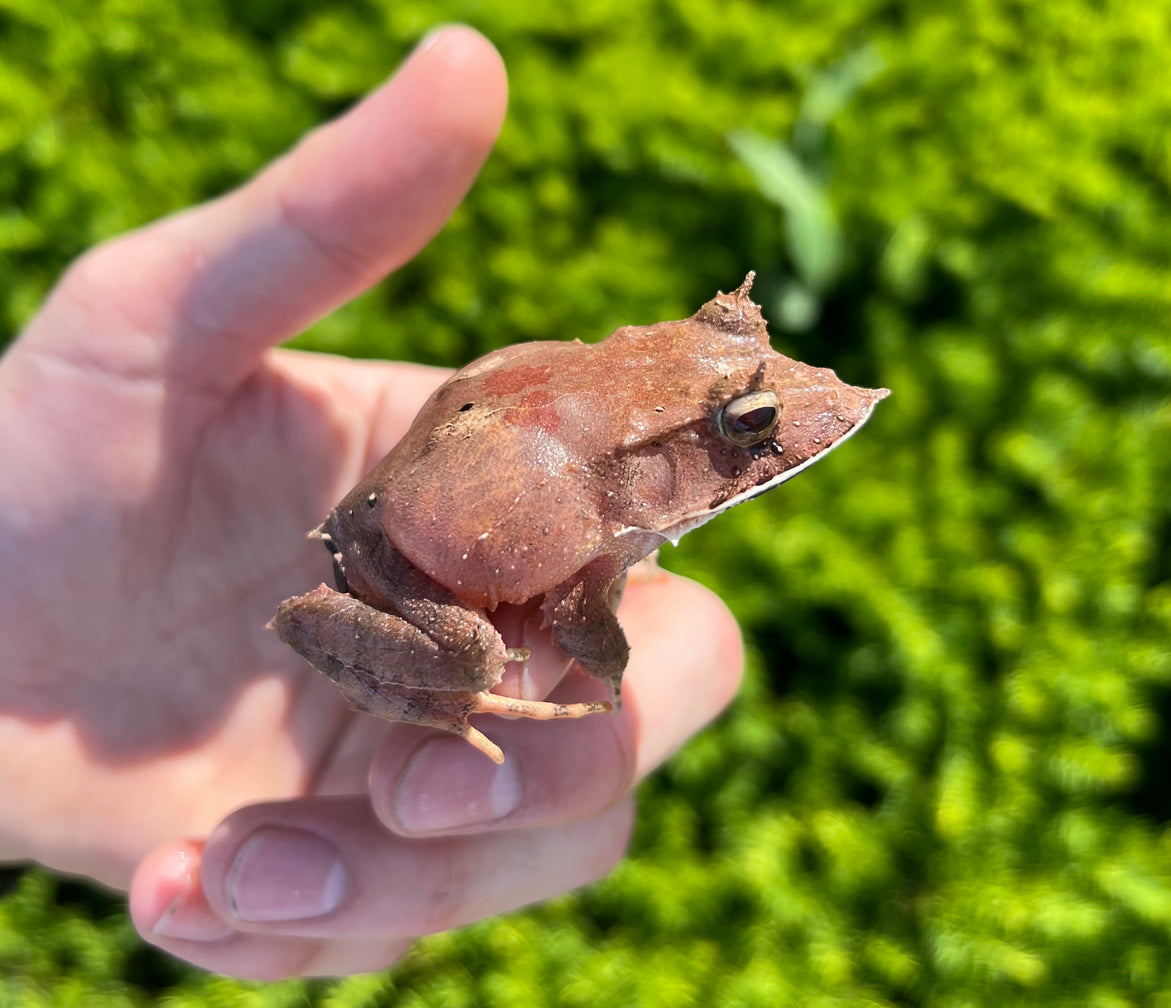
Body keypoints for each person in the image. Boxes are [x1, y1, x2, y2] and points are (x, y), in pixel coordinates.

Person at [0, 26, 741, 979]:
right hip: (402, 566)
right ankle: (402, 658)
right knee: (475, 655)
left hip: (395, 503)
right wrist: (612, 668)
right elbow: (578, 621)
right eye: (750, 423)